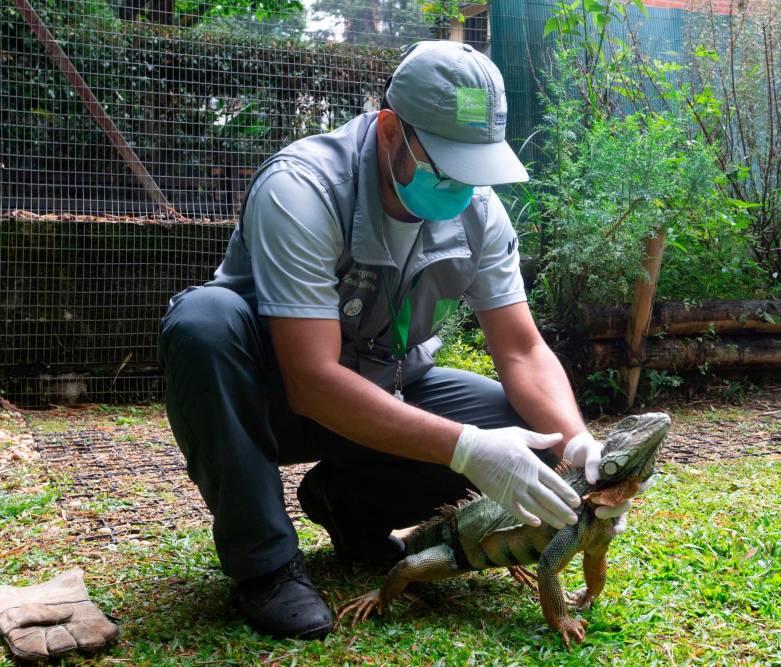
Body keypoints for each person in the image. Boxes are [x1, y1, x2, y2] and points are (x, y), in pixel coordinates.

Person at [158, 40, 643, 641]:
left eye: (476, 168)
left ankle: (350, 507)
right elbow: (310, 378)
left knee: (535, 443)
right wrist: (468, 449)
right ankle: (266, 567)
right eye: (446, 166)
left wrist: (578, 448)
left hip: (391, 389)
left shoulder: (481, 212)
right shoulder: (303, 188)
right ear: (390, 131)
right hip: (272, 397)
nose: (462, 188)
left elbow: (520, 348)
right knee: (202, 323)